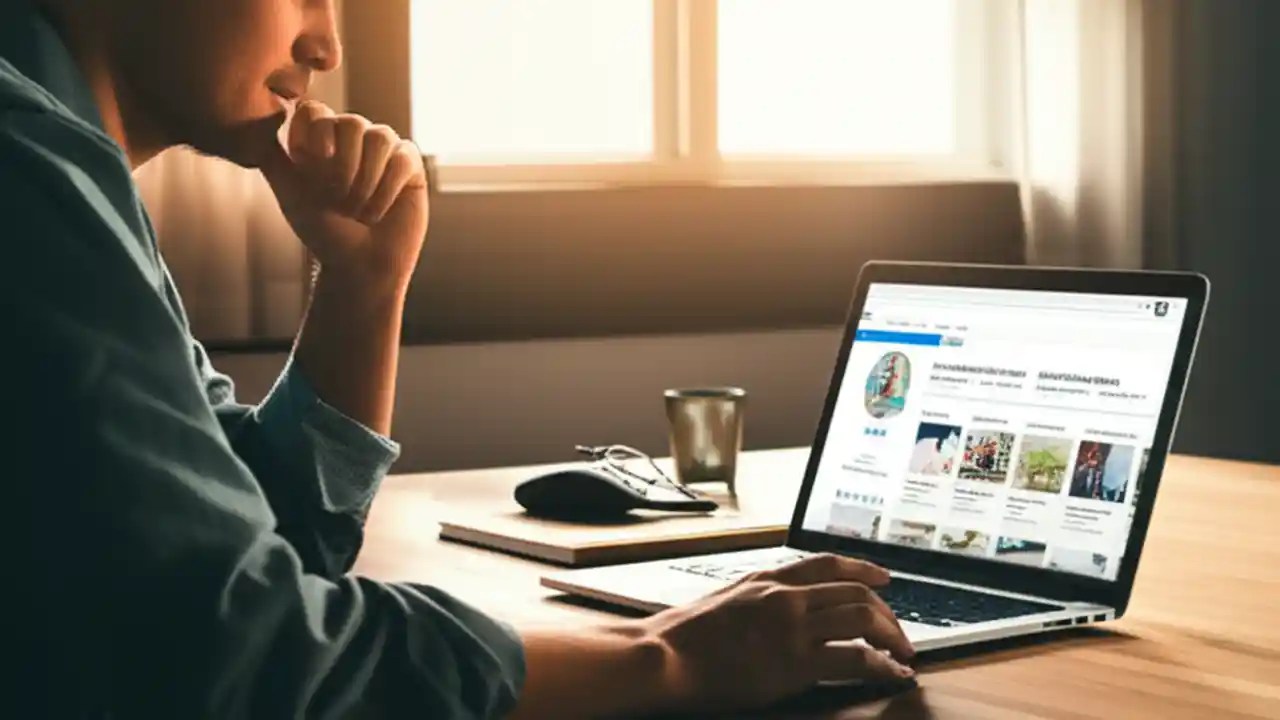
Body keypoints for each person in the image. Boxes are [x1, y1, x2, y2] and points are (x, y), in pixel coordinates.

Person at [1, 1, 915, 717]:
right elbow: (256, 661)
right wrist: (671, 657)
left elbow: (260, 540)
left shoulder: (67, 173)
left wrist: (363, 286)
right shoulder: (23, 178)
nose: (324, 45)